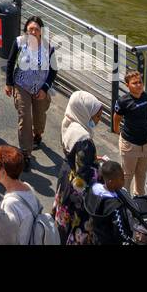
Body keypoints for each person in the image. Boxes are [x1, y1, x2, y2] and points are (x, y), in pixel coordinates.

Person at [53, 90, 106, 244]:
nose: (99, 119)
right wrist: (101, 169)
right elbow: (84, 174)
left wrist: (92, 158)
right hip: (76, 189)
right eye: (97, 115)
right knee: (76, 228)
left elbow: (74, 155)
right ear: (84, 112)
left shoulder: (69, 123)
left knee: (62, 224)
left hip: (65, 178)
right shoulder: (84, 139)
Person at [6, 16, 57, 162]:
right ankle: (26, 153)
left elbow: (53, 71)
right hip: (22, 85)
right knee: (25, 117)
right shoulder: (19, 42)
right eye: (30, 29)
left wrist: (45, 88)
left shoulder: (49, 48)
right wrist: (9, 83)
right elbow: (10, 63)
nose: (33, 32)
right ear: (26, 30)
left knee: (39, 116)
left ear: (41, 31)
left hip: (40, 87)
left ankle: (38, 134)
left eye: (36, 29)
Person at [112, 69, 147, 195]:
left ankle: (140, 198)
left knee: (141, 174)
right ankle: (125, 200)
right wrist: (117, 130)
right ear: (127, 85)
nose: (139, 85)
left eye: (140, 82)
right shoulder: (123, 101)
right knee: (127, 175)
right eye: (134, 83)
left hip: (145, 144)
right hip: (130, 145)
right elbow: (117, 117)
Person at [84, 159, 138, 246]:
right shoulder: (115, 207)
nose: (124, 181)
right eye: (121, 179)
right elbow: (121, 232)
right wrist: (131, 239)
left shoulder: (92, 190)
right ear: (111, 182)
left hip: (95, 235)